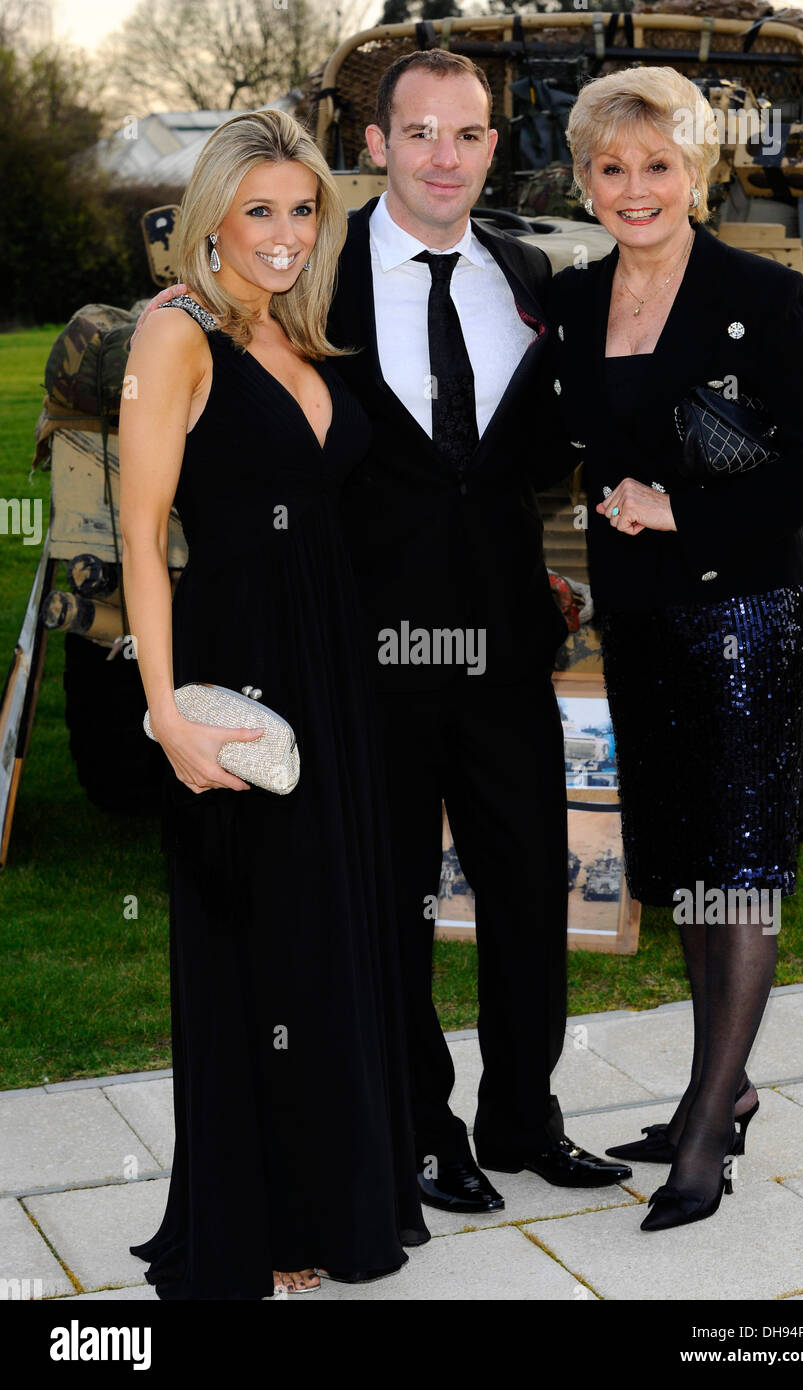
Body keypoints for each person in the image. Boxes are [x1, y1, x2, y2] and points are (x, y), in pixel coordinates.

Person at [141, 50, 632, 1216]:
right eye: (419, 134)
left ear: (491, 147)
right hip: (367, 655)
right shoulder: (313, 275)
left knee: (527, 892)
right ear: (376, 146)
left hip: (511, 646)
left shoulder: (530, 277)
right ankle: (423, 1129)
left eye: (467, 135)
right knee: (394, 900)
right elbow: (232, 406)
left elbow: (545, 450)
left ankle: (528, 1116)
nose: (444, 158)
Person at [119, 107, 428, 1299]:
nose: (287, 232)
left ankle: (333, 1203)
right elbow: (144, 540)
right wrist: (167, 714)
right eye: (261, 211)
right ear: (213, 217)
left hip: (333, 669)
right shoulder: (176, 332)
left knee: (329, 938)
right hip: (235, 680)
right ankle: (262, 1227)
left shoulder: (298, 328)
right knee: (259, 946)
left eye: (304, 210)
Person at [549, 65, 803, 1230]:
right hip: (636, 615)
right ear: (584, 179)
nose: (634, 189)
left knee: (739, 865)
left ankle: (708, 1128)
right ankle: (712, 1091)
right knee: (682, 863)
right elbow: (563, 438)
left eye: (657, 165)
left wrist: (683, 509)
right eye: (610, 169)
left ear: (696, 171)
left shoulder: (757, 296)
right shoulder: (573, 302)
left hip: (739, 614)